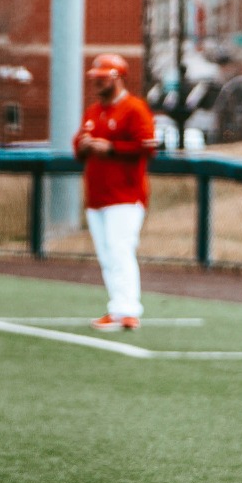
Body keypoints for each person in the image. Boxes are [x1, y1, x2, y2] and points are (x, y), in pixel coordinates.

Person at [73, 53, 156, 331]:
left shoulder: (134, 108)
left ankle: (128, 310)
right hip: (97, 196)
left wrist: (110, 147)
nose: (96, 82)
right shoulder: (94, 111)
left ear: (117, 77)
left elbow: (147, 146)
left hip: (125, 195)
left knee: (121, 250)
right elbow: (78, 147)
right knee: (107, 255)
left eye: (102, 77)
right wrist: (85, 145)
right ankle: (117, 308)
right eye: (94, 78)